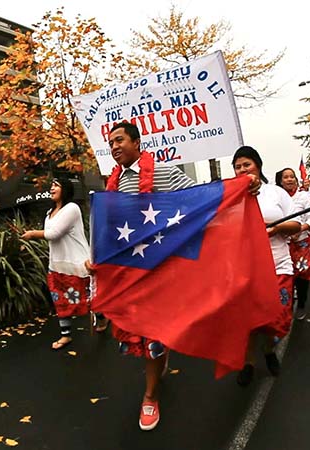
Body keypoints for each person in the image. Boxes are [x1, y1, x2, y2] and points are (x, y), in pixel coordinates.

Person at [88, 121, 259, 431]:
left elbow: (198, 199)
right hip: (131, 275)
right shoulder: (111, 185)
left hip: (162, 273)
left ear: (137, 142)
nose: (113, 147)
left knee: (152, 335)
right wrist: (97, 261)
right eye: (110, 143)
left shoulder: (163, 172)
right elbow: (110, 231)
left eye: (119, 140)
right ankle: (160, 360)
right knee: (140, 334)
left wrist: (243, 187)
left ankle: (150, 396)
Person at [232, 147, 301, 386]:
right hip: (246, 269)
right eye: (238, 166)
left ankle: (269, 351)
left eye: (247, 165)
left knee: (277, 318)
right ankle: (249, 363)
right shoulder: (230, 197)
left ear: (258, 167)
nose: (242, 170)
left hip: (278, 265)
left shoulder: (276, 193)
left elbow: (297, 224)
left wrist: (276, 228)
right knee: (249, 321)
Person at [22, 178, 91, 350]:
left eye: (56, 185)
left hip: (76, 265)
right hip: (56, 265)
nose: (51, 188)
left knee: (87, 301)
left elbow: (54, 234)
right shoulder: (49, 213)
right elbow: (49, 235)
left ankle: (102, 318)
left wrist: (32, 233)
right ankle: (65, 335)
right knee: (60, 301)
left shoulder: (72, 209)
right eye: (51, 185)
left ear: (65, 189)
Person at [275, 168, 310, 320]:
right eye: (285, 177)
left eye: (292, 176)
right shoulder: (277, 197)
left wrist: (300, 229)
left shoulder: (303, 197)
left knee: (302, 276)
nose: (289, 179)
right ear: (280, 181)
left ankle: (301, 304)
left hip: (302, 243)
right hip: (284, 245)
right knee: (287, 277)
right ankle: (288, 304)